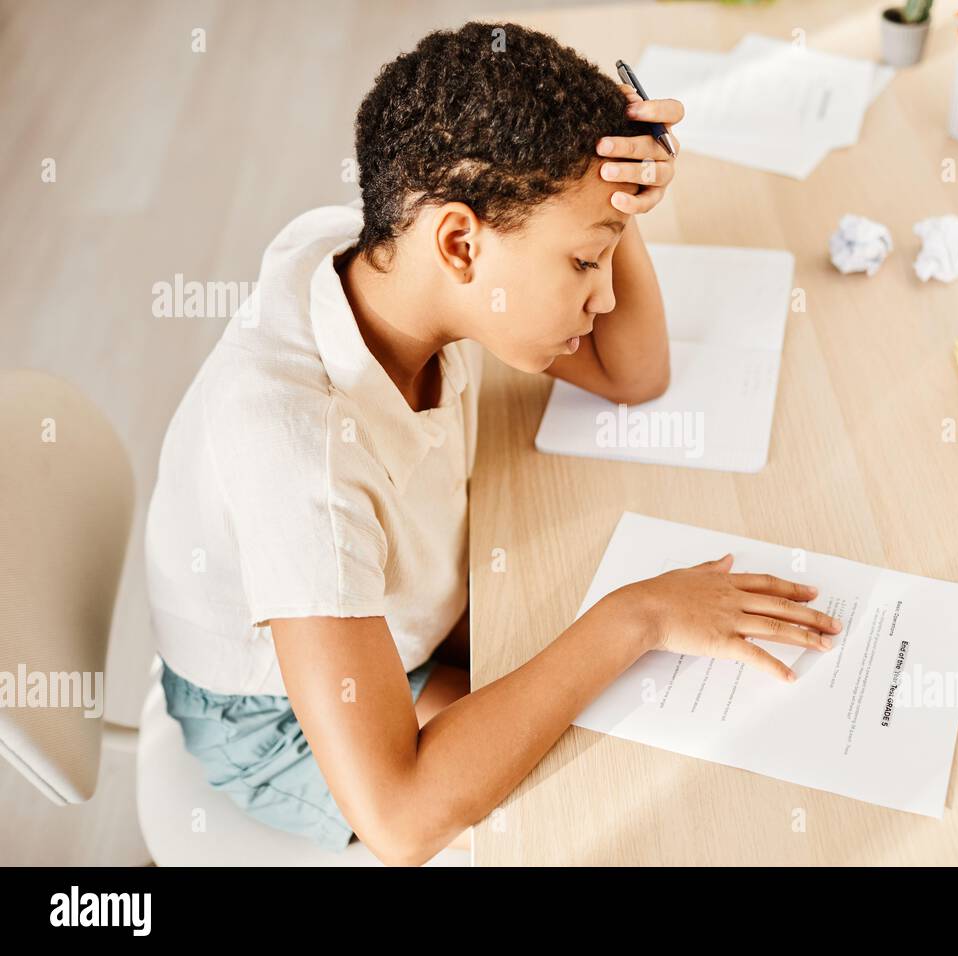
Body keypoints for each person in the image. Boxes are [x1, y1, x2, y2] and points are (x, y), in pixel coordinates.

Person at [144, 21, 839, 866]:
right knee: (596, 775)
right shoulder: (302, 451)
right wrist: (640, 615)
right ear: (462, 243)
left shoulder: (396, 264)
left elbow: (633, 374)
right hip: (273, 713)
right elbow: (401, 817)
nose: (604, 297)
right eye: (585, 265)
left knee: (609, 700)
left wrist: (609, 211)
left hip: (403, 606)